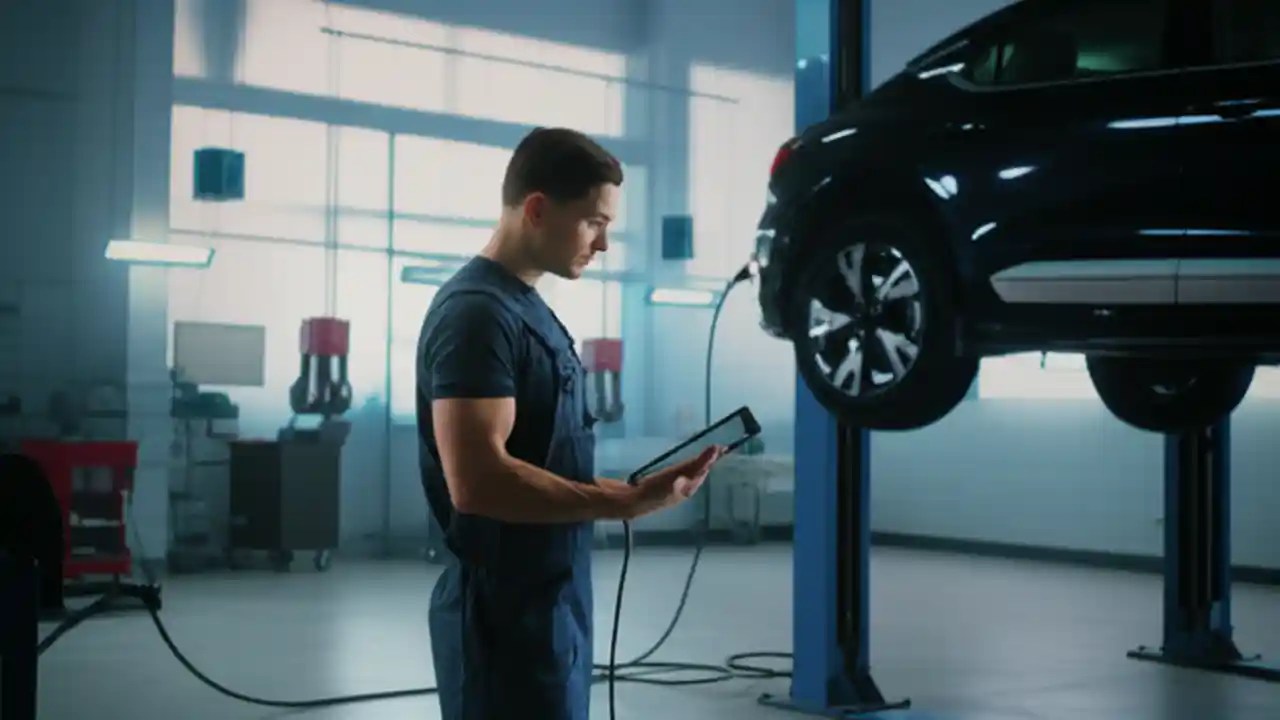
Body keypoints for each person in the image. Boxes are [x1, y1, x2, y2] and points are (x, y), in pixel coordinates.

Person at [416, 127, 723, 720]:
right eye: (593, 222)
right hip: (501, 619)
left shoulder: (526, 308)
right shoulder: (476, 316)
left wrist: (640, 495)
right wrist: (617, 506)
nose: (603, 244)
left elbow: (548, 468)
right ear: (536, 209)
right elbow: (478, 482)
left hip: (552, 600)